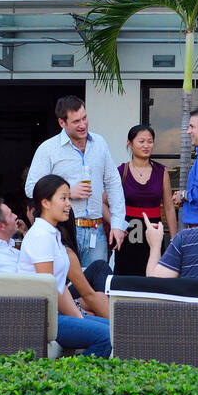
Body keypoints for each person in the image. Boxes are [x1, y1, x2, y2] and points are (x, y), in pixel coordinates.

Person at [24, 96, 125, 267]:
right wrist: (68, 193)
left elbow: (114, 183)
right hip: (63, 230)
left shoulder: (100, 143)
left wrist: (117, 224)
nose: (83, 124)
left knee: (95, 287)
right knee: (65, 286)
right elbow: (31, 188)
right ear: (62, 123)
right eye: (76, 121)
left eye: (84, 118)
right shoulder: (48, 148)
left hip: (96, 229)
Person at [18, 175, 112, 356]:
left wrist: (79, 316)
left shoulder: (53, 233)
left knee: (114, 329)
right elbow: (49, 288)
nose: (69, 203)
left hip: (56, 314)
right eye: (63, 198)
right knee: (106, 335)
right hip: (42, 318)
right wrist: (80, 319)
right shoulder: (41, 236)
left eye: (69, 198)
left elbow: (60, 285)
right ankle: (78, 380)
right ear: (45, 203)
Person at [114, 124, 176, 277]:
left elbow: (169, 208)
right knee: (125, 280)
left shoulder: (161, 172)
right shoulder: (121, 171)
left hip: (154, 235)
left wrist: (174, 240)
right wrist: (116, 226)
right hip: (127, 237)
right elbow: (104, 202)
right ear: (130, 143)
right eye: (141, 141)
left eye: (150, 141)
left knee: (153, 279)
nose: (146, 145)